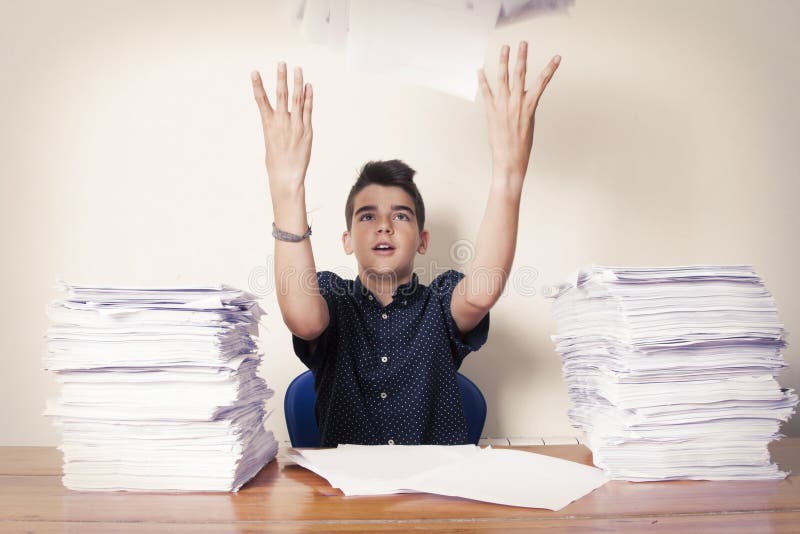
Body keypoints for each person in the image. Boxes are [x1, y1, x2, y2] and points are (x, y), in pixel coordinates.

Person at [251, 42, 560, 446]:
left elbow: (481, 292)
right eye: (367, 216)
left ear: (423, 240)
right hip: (347, 504)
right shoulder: (329, 296)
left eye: (400, 215)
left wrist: (509, 171)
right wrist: (287, 187)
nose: (384, 226)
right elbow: (304, 319)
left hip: (435, 499)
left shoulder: (441, 302)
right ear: (346, 241)